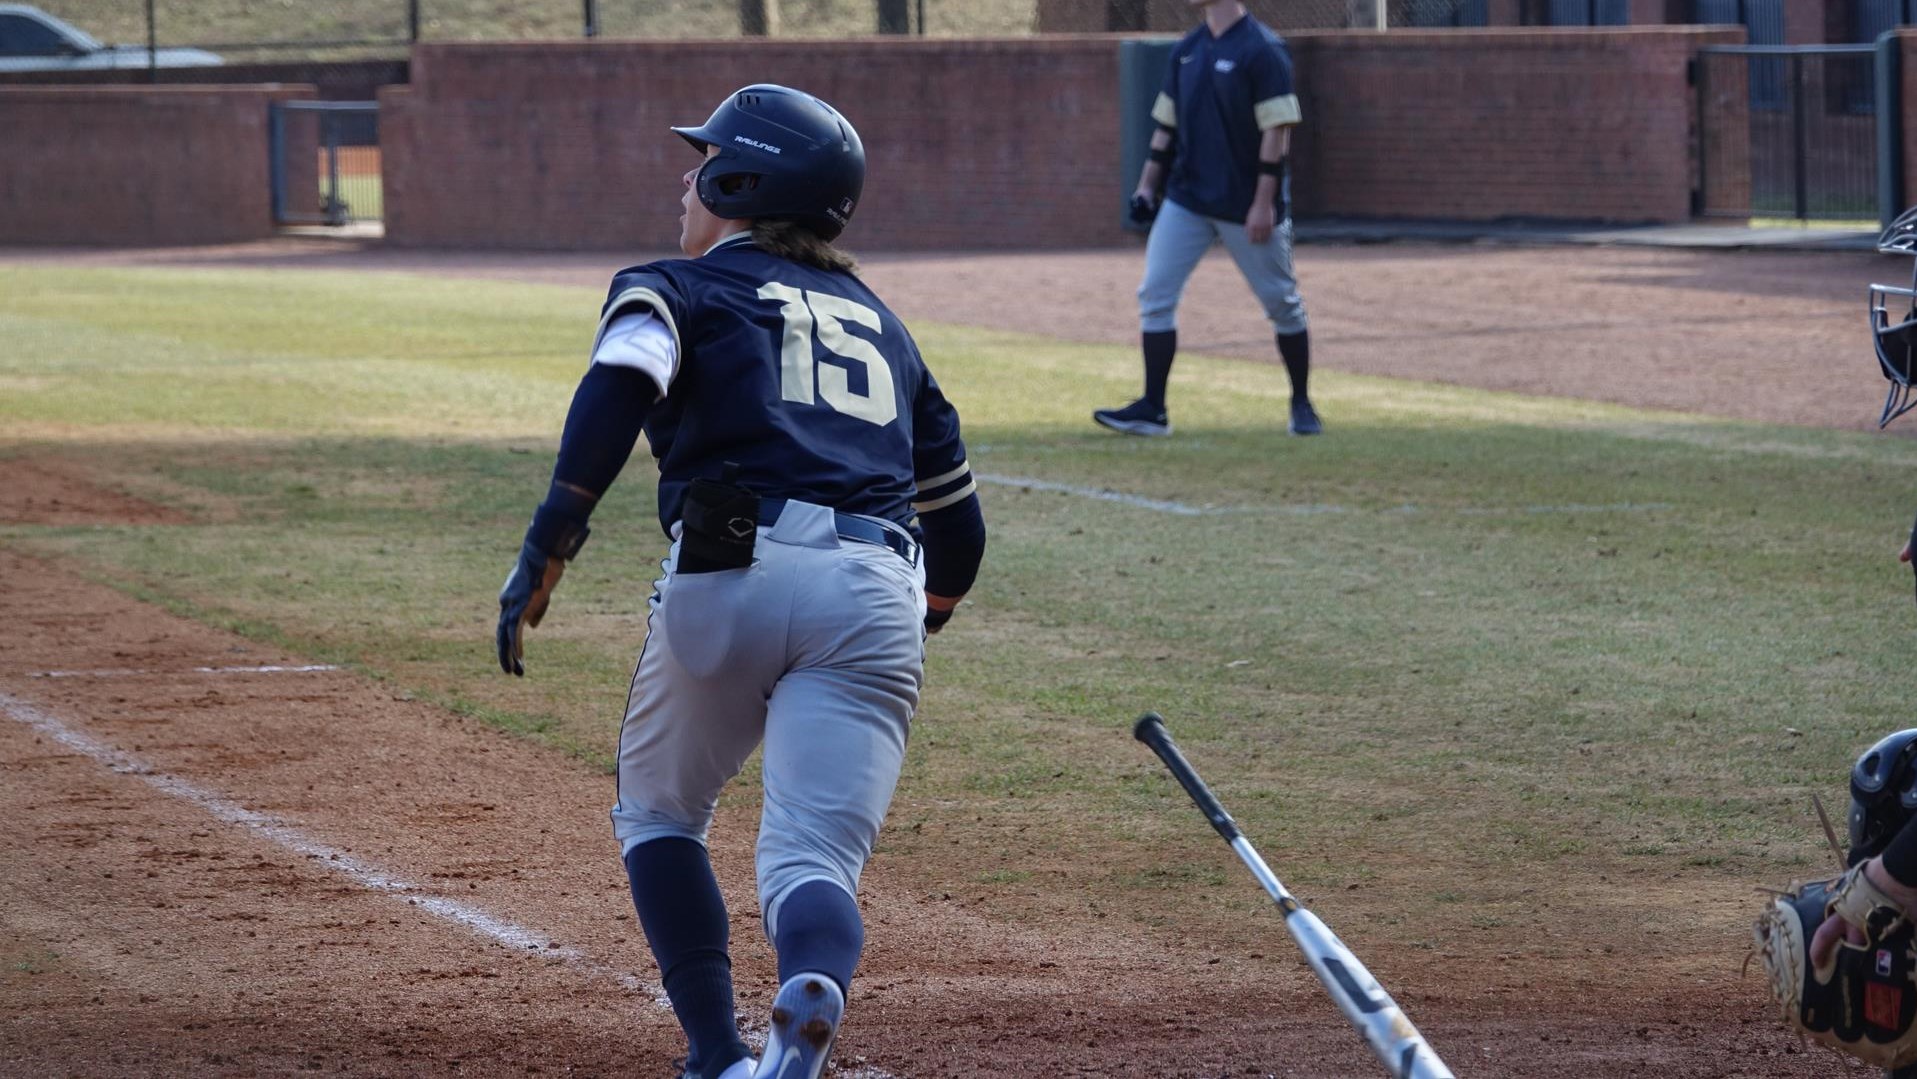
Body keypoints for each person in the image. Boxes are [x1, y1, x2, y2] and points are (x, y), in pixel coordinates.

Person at [494, 84, 987, 1079]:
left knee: (660, 813)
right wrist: (920, 612)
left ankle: (718, 1052)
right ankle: (812, 991)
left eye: (706, 158)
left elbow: (622, 381)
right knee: (811, 857)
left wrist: (554, 530)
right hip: (879, 580)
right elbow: (961, 531)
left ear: (739, 180)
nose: (689, 173)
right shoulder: (889, 330)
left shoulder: (682, 285)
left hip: (732, 562)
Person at [1095, 0, 1318, 439]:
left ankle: (1301, 402)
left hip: (1244, 202)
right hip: (1187, 197)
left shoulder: (1263, 49)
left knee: (1282, 303)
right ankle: (1153, 409)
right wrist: (1146, 185)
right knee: (1156, 293)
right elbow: (1166, 127)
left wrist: (1263, 202)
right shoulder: (1188, 48)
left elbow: (1277, 132)